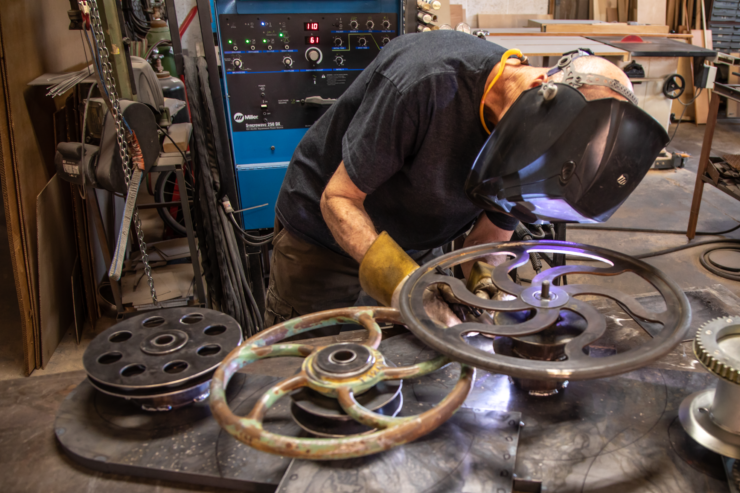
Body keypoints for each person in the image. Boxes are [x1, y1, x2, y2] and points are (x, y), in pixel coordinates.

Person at [266, 30, 666, 326]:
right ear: (540, 89)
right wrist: (409, 291)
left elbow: (488, 236)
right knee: (316, 365)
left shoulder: (545, 145)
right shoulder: (426, 82)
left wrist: (485, 284)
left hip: (413, 244)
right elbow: (339, 199)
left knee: (409, 361)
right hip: (323, 241)